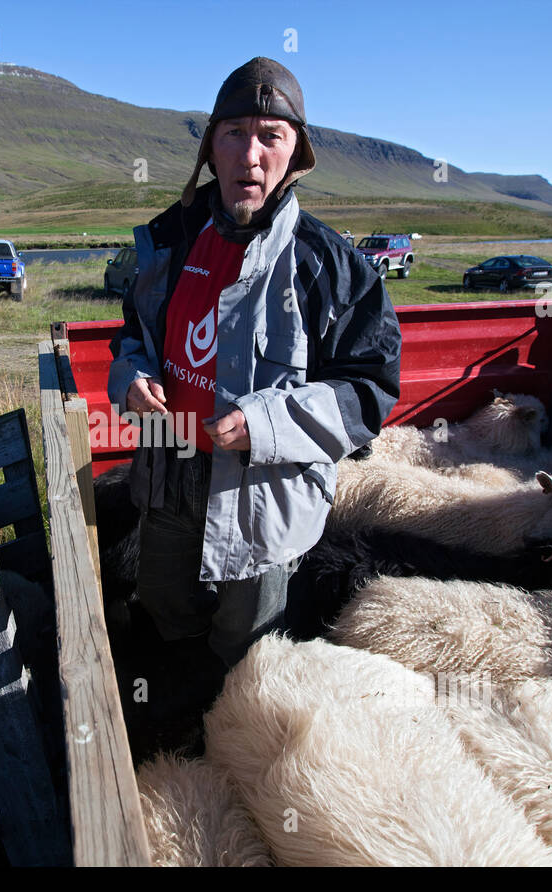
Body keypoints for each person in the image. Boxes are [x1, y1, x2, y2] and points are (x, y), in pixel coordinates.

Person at [107, 57, 402, 667]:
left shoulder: (329, 266)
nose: (251, 155)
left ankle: (231, 740)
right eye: (235, 133)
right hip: (169, 475)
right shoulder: (171, 239)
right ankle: (177, 716)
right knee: (166, 612)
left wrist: (267, 424)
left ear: (296, 156)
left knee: (246, 650)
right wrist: (132, 378)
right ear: (210, 150)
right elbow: (132, 336)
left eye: (272, 136)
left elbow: (369, 391)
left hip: (264, 495)